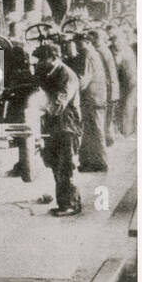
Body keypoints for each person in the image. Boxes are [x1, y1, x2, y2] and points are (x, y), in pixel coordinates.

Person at [34, 42, 83, 217]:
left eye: (42, 59)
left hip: (66, 124)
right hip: (54, 124)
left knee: (66, 165)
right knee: (56, 164)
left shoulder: (66, 75)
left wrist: (37, 108)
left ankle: (71, 205)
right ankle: (65, 203)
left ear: (54, 57)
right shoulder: (51, 72)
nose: (39, 62)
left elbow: (59, 102)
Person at [64, 31, 108, 173]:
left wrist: (68, 89)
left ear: (88, 42)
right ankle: (89, 163)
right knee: (90, 131)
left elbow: (83, 80)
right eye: (75, 43)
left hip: (92, 99)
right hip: (94, 98)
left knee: (95, 131)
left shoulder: (87, 55)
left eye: (79, 43)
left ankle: (101, 163)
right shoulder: (90, 54)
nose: (76, 45)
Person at [111, 27, 137, 136]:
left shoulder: (124, 51)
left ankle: (126, 131)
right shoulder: (126, 49)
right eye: (113, 41)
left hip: (129, 83)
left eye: (116, 41)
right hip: (126, 82)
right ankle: (125, 130)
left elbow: (117, 66)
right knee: (125, 107)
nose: (115, 43)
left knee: (127, 107)